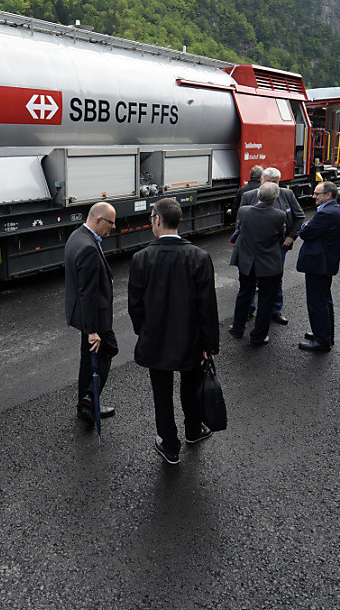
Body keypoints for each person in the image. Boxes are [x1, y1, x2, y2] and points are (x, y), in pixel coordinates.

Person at [128, 197, 219, 465]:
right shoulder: (200, 257)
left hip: (155, 339)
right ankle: (193, 430)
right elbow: (207, 307)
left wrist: (142, 331)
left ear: (157, 219)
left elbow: (135, 305)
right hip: (190, 339)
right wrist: (209, 345)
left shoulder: (141, 258)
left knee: (161, 393)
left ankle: (169, 445)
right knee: (190, 388)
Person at [64, 201, 118, 423]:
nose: (113, 227)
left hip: (83, 315)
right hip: (95, 317)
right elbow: (88, 292)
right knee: (108, 350)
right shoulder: (88, 247)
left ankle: (85, 405)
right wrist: (93, 330)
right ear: (98, 220)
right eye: (111, 223)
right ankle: (89, 400)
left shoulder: (76, 236)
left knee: (88, 359)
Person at [239, 167, 305, 325]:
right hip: (252, 249)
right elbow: (239, 223)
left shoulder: (287, 195)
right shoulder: (248, 195)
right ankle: (248, 309)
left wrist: (291, 237)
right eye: (268, 181)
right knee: (249, 281)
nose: (271, 185)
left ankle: (275, 310)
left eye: (275, 182)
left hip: (277, 248)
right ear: (261, 180)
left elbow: (299, 216)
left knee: (276, 280)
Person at [229, 182, 288, 346]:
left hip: (247, 262)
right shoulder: (279, 215)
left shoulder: (244, 211)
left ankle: (237, 328)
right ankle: (258, 336)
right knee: (266, 300)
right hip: (269, 264)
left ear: (258, 195)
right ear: (275, 198)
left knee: (244, 295)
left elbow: (240, 230)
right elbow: (281, 238)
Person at [297, 181, 340, 352]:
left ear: (328, 195)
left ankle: (322, 340)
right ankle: (325, 334)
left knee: (317, 302)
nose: (313, 196)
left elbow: (305, 233)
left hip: (318, 264)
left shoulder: (326, 213)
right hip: (324, 263)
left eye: (317, 194)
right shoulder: (334, 210)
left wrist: (306, 226)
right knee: (324, 300)